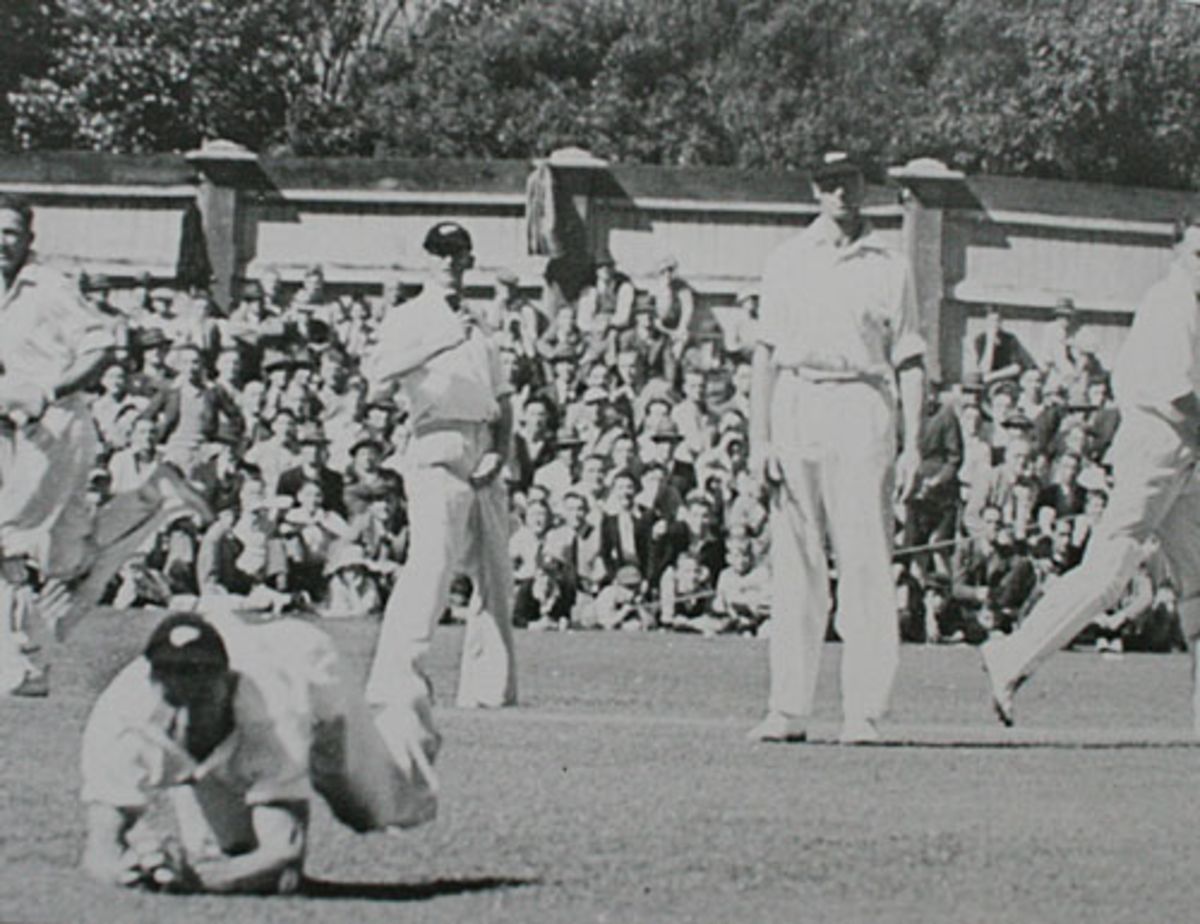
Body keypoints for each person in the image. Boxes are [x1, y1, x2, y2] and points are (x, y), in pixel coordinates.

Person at [982, 207, 1200, 731]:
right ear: (1179, 252)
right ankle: (1010, 658)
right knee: (1110, 570)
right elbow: (1179, 397)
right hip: (1156, 445)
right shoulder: (1169, 303)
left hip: (1185, 453)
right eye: (1198, 251)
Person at [747, 151, 925, 745]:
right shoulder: (786, 261)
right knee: (795, 563)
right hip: (798, 399)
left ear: (863, 186)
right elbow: (766, 355)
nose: (840, 193)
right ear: (813, 190)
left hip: (863, 405)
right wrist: (759, 437)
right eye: (828, 183)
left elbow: (911, 359)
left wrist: (914, 445)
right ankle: (788, 708)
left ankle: (864, 712)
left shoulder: (891, 265)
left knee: (866, 560)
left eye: (849, 181)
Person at [0, 196, 208, 690]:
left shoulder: (48, 288)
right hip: (14, 430)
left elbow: (99, 348)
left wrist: (49, 392)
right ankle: (151, 501)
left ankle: (24, 661)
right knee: (63, 558)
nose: (1, 242)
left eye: (10, 232)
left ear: (30, 240)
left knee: (6, 537)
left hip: (54, 425)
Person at [79, 611, 438, 894]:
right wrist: (130, 869)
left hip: (310, 673)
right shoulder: (122, 717)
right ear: (154, 682)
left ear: (228, 682)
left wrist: (198, 881)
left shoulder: (272, 710)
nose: (185, 715)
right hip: (247, 700)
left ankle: (406, 709)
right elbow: (99, 850)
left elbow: (284, 857)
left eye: (201, 697)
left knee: (374, 810)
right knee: (231, 851)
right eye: (174, 694)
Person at [362, 221, 517, 724]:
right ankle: (395, 681)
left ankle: (489, 690)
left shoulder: (481, 323)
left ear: (470, 260)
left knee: (495, 576)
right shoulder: (409, 317)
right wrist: (438, 343)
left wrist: (501, 449)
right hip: (437, 440)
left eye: (458, 253)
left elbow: (503, 397)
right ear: (428, 260)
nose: (450, 262)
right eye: (441, 253)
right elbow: (377, 379)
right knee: (431, 567)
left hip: (484, 443)